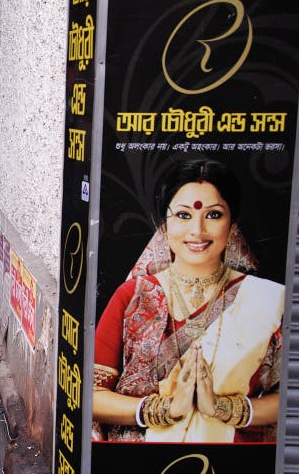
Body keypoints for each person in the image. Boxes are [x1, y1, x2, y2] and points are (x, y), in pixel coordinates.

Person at [92, 159, 284, 443]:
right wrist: (163, 409)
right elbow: (90, 396)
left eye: (214, 215)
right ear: (164, 225)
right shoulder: (134, 296)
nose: (197, 229)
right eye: (183, 215)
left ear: (232, 226)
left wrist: (223, 408)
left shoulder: (270, 300)